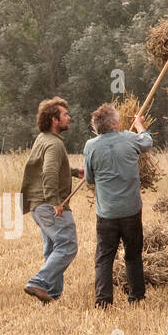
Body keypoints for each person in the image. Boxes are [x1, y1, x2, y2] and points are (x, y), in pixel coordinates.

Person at [84, 102, 152, 308]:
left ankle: (103, 301)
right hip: (131, 211)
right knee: (133, 255)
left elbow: (89, 178)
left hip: (106, 214)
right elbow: (147, 142)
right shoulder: (130, 139)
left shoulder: (90, 146)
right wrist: (139, 125)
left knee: (104, 257)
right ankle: (137, 297)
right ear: (115, 122)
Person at [20, 97, 83, 304]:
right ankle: (39, 282)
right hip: (49, 204)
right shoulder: (54, 144)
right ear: (54, 120)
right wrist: (56, 202)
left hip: (37, 205)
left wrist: (74, 172)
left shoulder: (43, 139)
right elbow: (48, 172)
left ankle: (52, 295)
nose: (69, 117)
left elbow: (45, 168)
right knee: (68, 245)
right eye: (65, 114)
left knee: (53, 248)